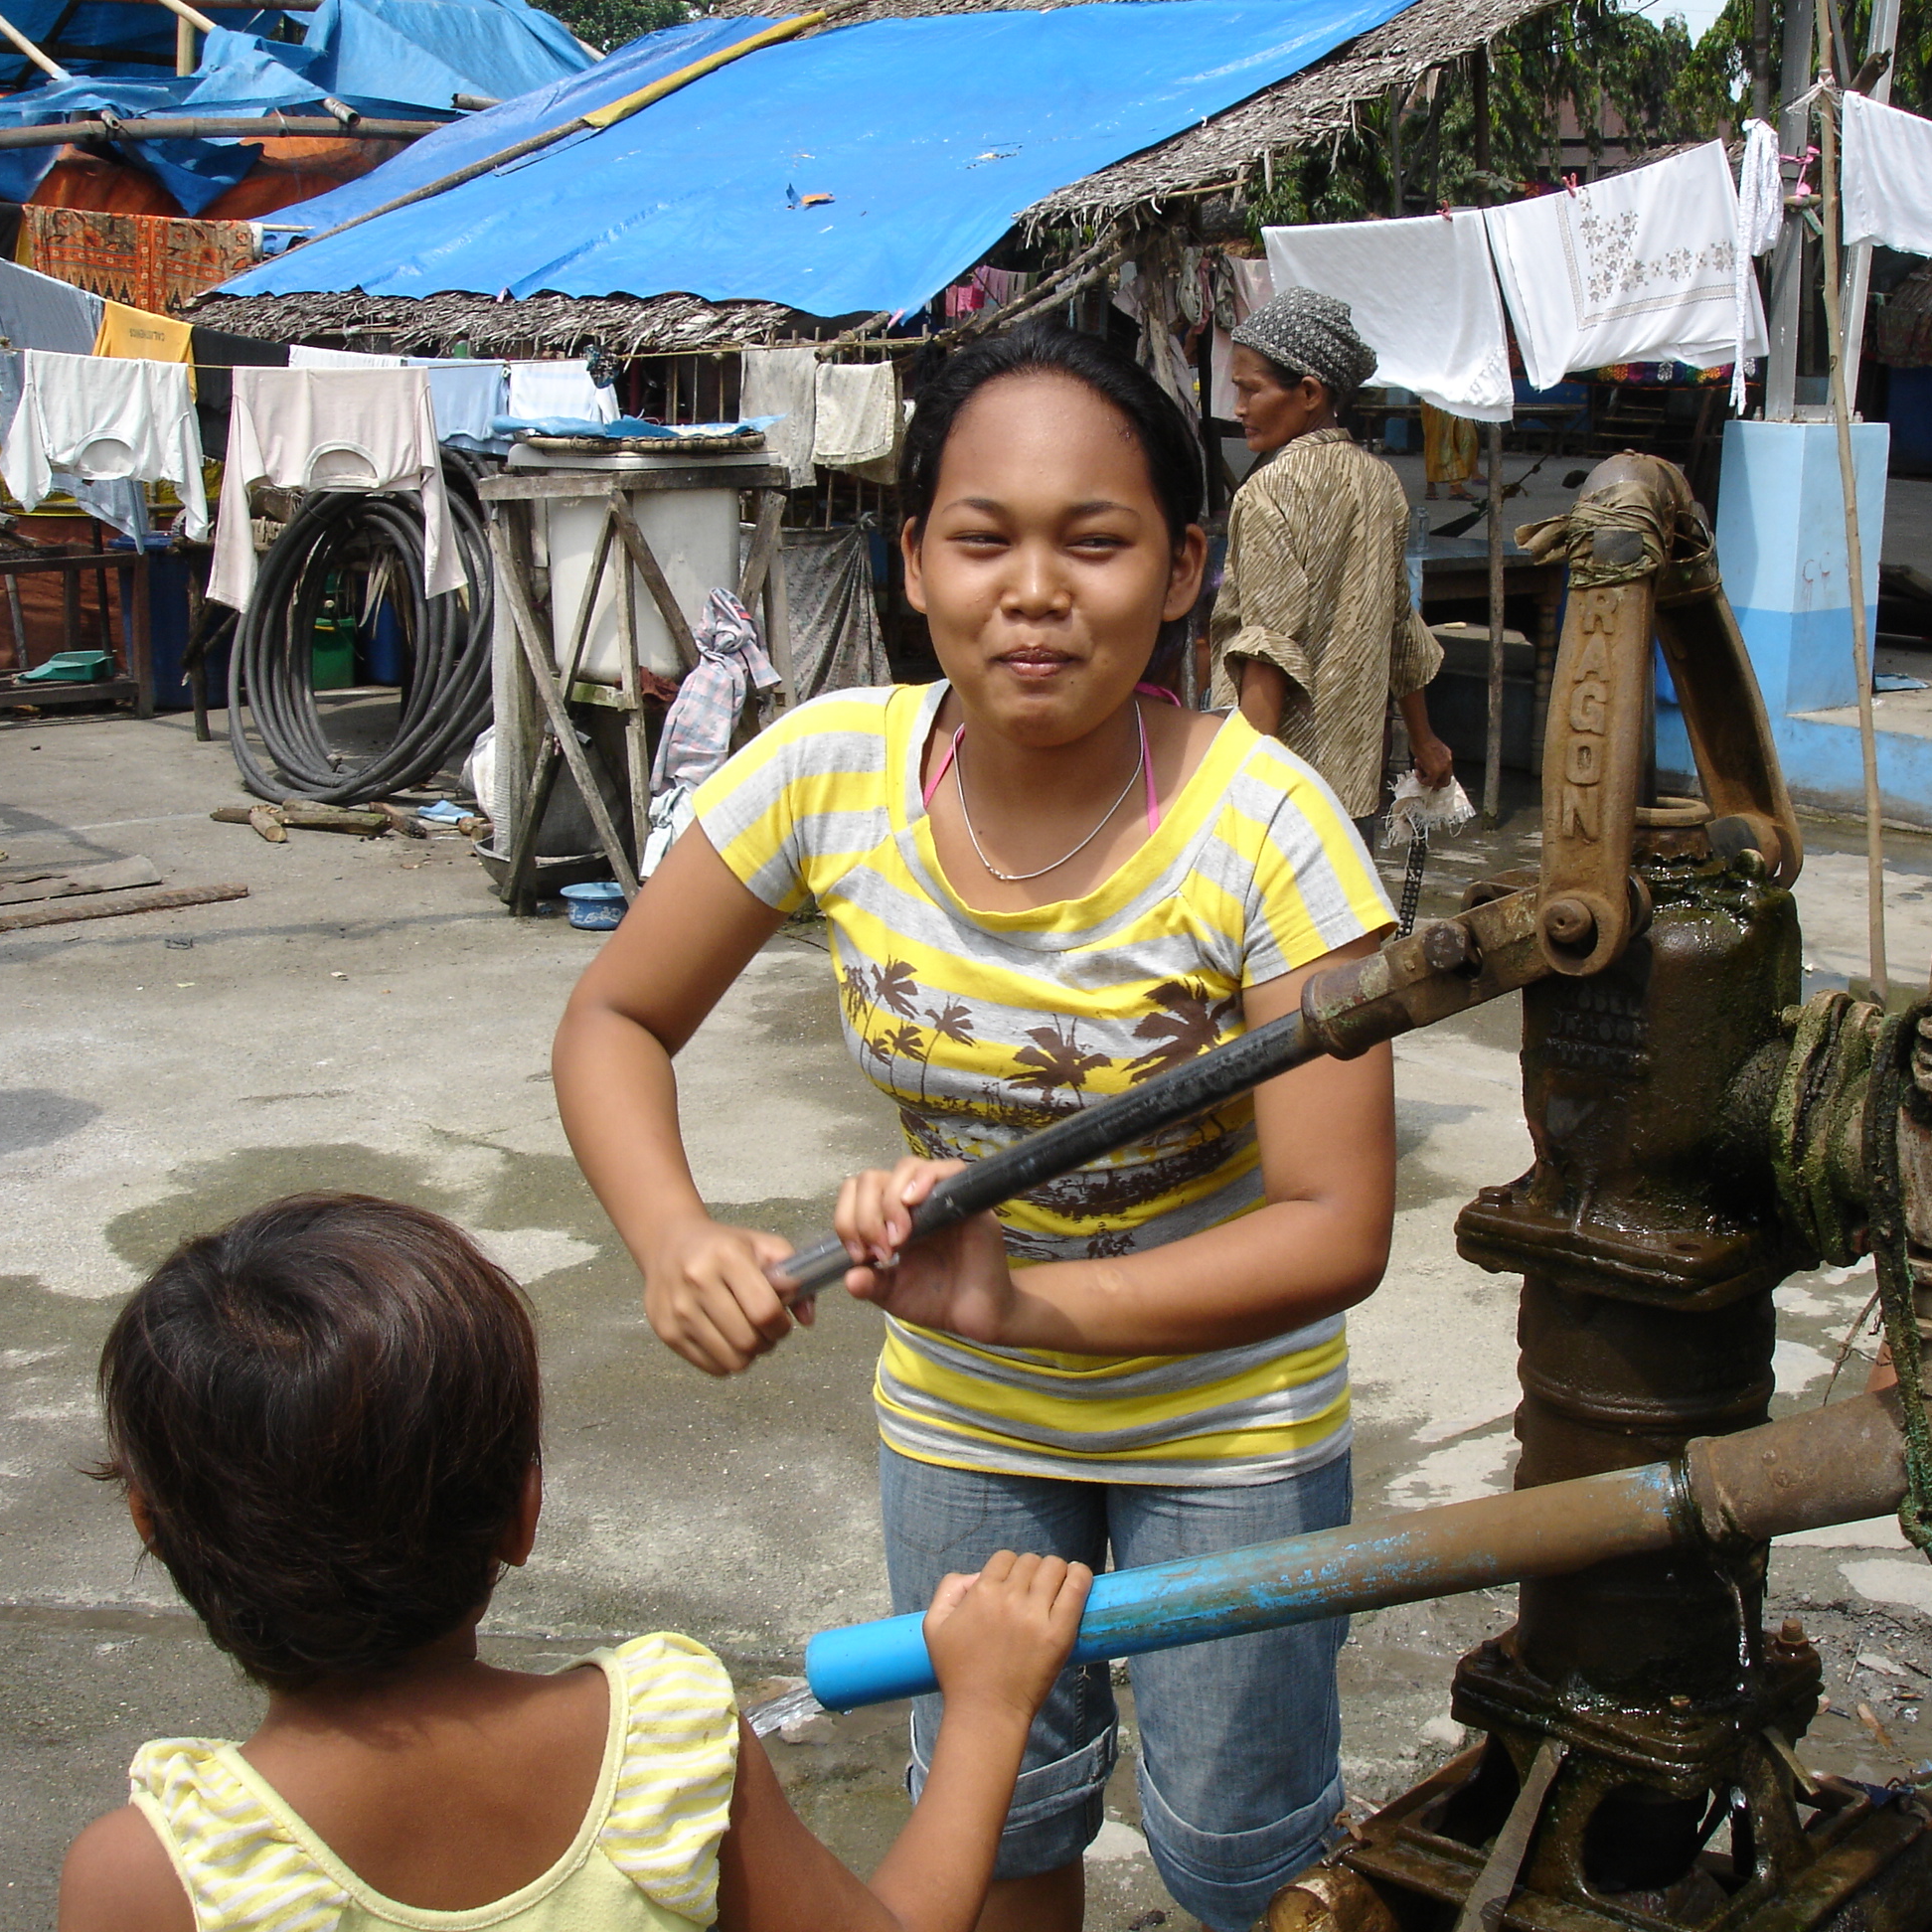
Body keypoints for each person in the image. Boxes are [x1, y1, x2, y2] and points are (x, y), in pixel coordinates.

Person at [552, 321, 1402, 1932]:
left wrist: (1032, 1302)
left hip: (1230, 1425)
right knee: (1002, 1822)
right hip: (964, 1425)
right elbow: (612, 1016)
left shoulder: (1263, 823)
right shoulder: (825, 773)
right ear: (914, 560)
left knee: (1245, 1854)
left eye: (1094, 539)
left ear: (1178, 568)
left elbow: (1330, 1222)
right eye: (981, 537)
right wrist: (673, 1232)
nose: (1033, 586)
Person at [54, 1193, 1092, 1932]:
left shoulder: (155, 1877)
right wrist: (990, 1707)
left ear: (152, 1524)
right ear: (523, 1511)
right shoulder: (662, 1746)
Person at [1209, 287, 1456, 830]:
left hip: (1279, 790)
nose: (1239, 409)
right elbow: (1399, 623)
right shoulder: (1381, 483)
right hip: (1351, 787)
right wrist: (1425, 738)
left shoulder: (1268, 491)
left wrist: (1242, 792)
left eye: (1250, 391)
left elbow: (1267, 648)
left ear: (1308, 392)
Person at [1421, 399, 1480, 501]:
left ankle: (1455, 482)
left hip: (1459, 394)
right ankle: (1451, 485)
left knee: (1468, 439)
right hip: (1435, 393)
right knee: (1440, 440)